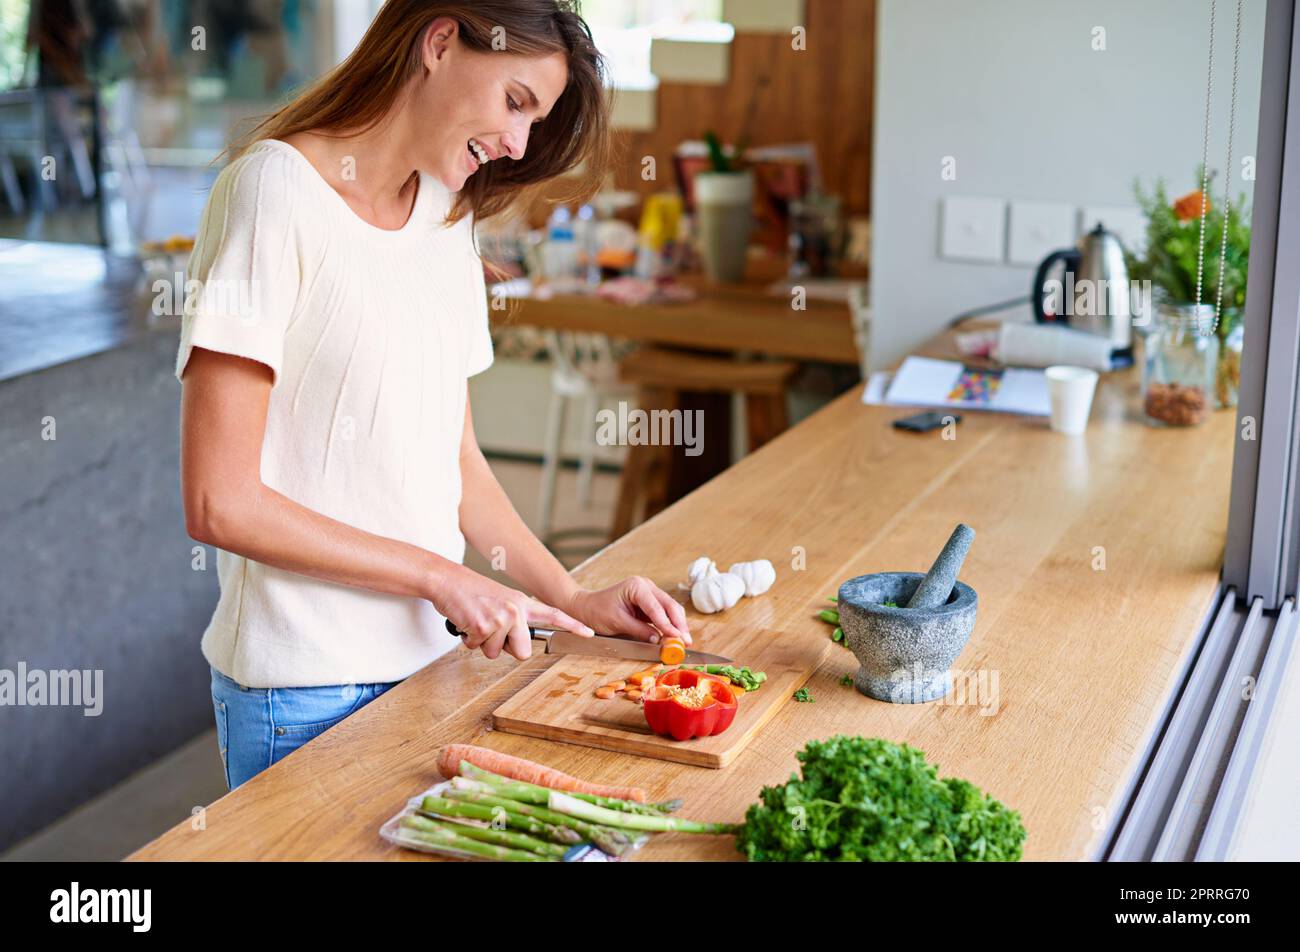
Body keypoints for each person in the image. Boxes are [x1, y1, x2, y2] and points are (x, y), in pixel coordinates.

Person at [176, 0, 691, 790]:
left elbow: (459, 468)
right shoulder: (272, 193)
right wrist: (442, 577)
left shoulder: (448, 220)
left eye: (536, 119)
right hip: (306, 692)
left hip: (434, 671)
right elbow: (221, 502)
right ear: (442, 42)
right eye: (517, 101)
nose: (519, 143)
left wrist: (575, 597)